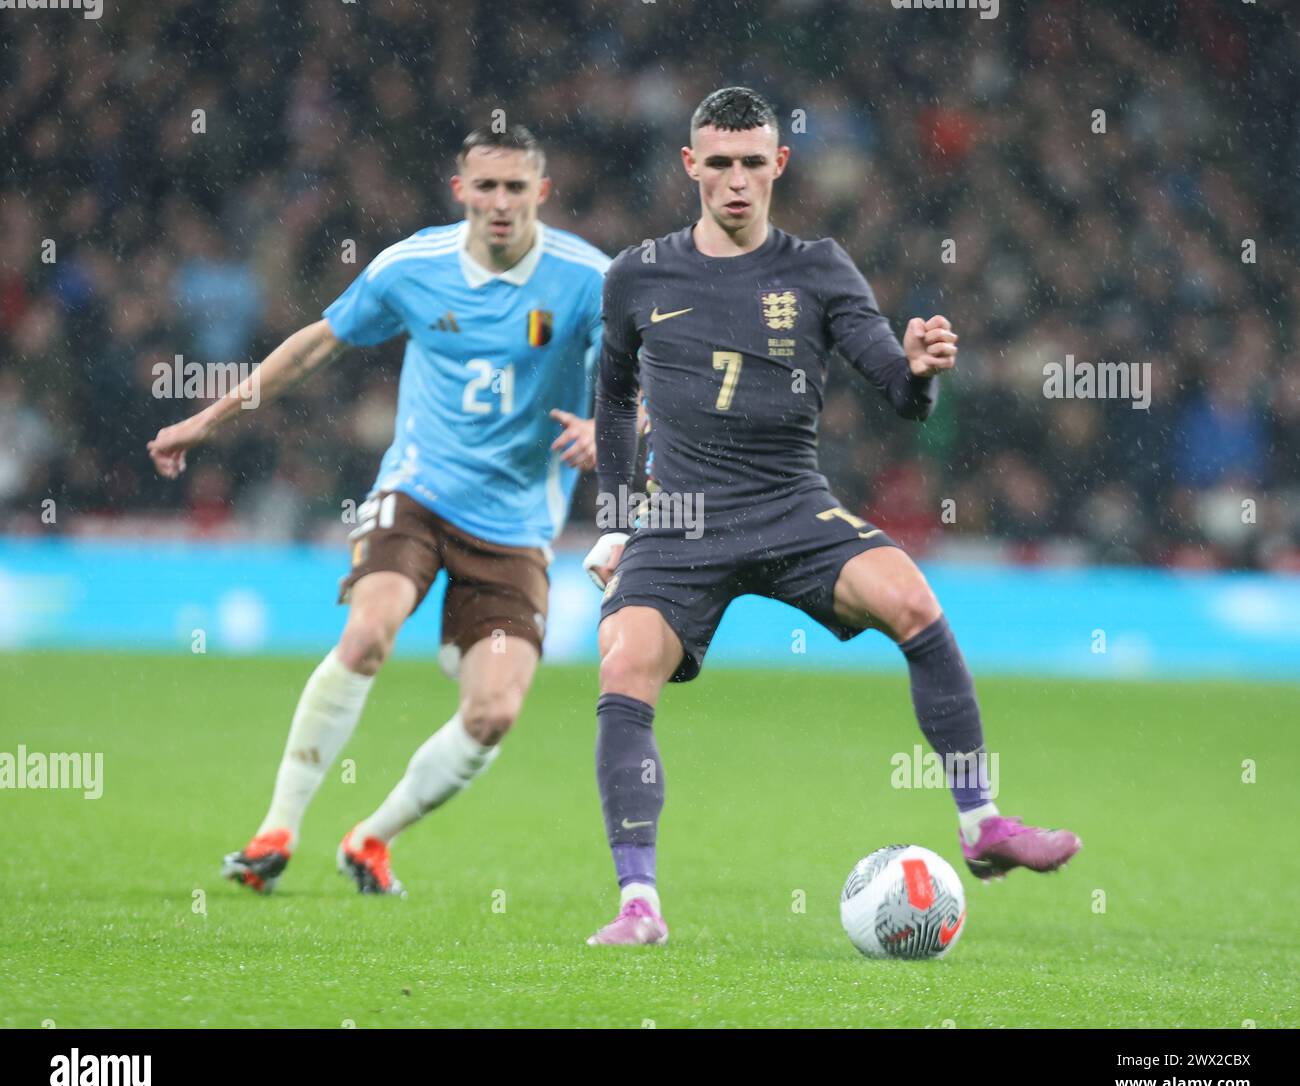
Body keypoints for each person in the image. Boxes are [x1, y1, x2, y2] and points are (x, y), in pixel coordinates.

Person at [582, 88, 1080, 946]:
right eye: (718, 164)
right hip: (680, 521)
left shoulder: (819, 268)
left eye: (752, 163)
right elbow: (615, 396)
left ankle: (983, 822)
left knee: (915, 602)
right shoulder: (637, 274)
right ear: (690, 166)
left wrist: (922, 369)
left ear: (780, 165)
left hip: (790, 505)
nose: (735, 181)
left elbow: (899, 391)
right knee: (623, 664)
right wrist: (619, 523)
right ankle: (639, 904)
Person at [148, 126, 610, 896]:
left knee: (493, 712)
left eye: (516, 188)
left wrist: (613, 428)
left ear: (542, 193)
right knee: (367, 632)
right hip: (418, 494)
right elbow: (312, 348)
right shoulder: (412, 268)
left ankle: (370, 837)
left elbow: (652, 373)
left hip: (518, 527)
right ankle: (276, 830)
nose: (500, 203)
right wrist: (205, 419)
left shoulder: (588, 280)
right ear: (459, 190)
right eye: (485, 187)